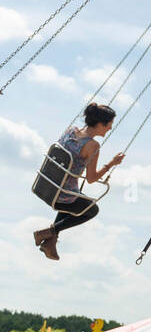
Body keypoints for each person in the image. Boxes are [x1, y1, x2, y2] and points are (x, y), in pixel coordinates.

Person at [33, 104, 124, 261]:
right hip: (62, 195)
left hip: (47, 186)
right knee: (91, 209)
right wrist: (112, 163)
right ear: (101, 124)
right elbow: (91, 179)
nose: (110, 129)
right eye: (109, 125)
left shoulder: (71, 130)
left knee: (77, 197)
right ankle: (46, 232)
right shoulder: (93, 145)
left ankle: (50, 242)